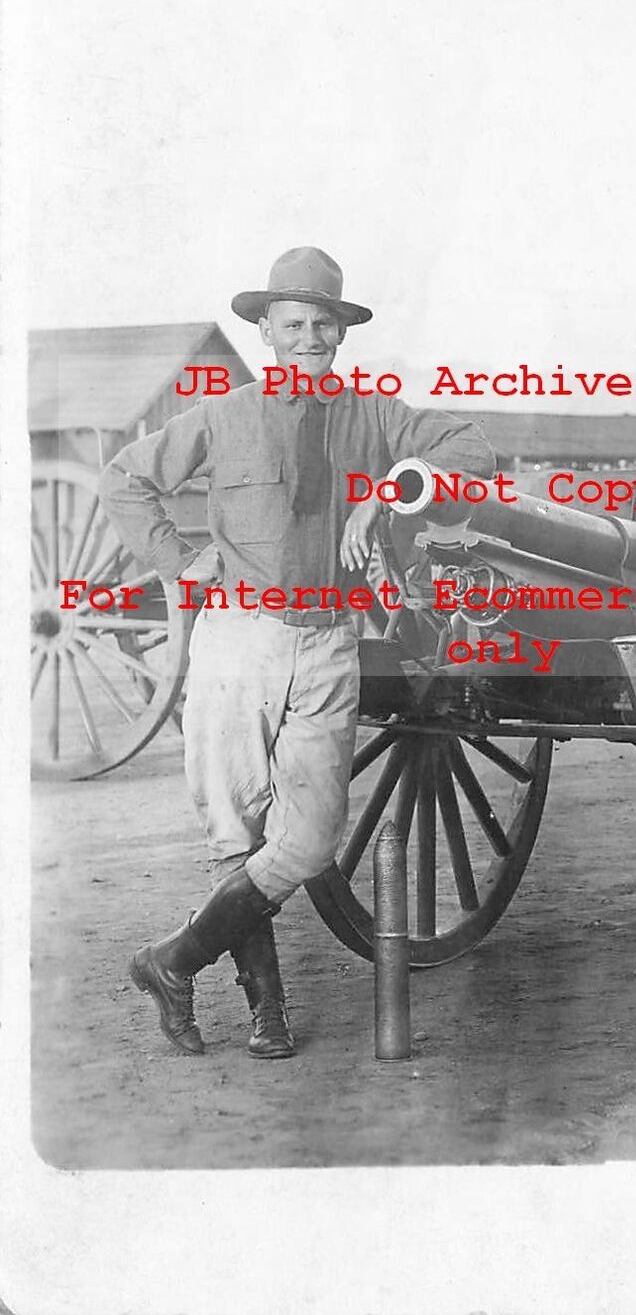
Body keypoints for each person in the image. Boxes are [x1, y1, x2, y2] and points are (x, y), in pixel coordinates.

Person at [99, 246, 494, 1059]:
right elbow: (125, 481)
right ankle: (266, 1011)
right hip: (239, 642)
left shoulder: (374, 416)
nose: (308, 338)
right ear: (268, 332)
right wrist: (181, 558)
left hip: (328, 648)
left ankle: (172, 961)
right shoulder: (224, 414)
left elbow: (469, 448)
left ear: (341, 334)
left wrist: (384, 495)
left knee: (310, 840)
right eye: (293, 326)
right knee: (234, 835)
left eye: (323, 324)